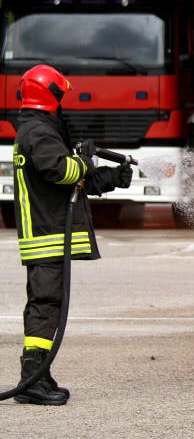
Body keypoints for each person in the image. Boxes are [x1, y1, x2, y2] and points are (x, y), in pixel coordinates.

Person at [11, 64, 132, 405]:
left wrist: (109, 177)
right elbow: (62, 170)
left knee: (49, 305)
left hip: (50, 234)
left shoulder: (41, 130)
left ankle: (39, 373)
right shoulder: (38, 132)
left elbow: (74, 182)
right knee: (45, 304)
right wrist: (83, 160)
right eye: (60, 94)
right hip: (46, 235)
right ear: (49, 95)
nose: (64, 100)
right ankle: (30, 377)